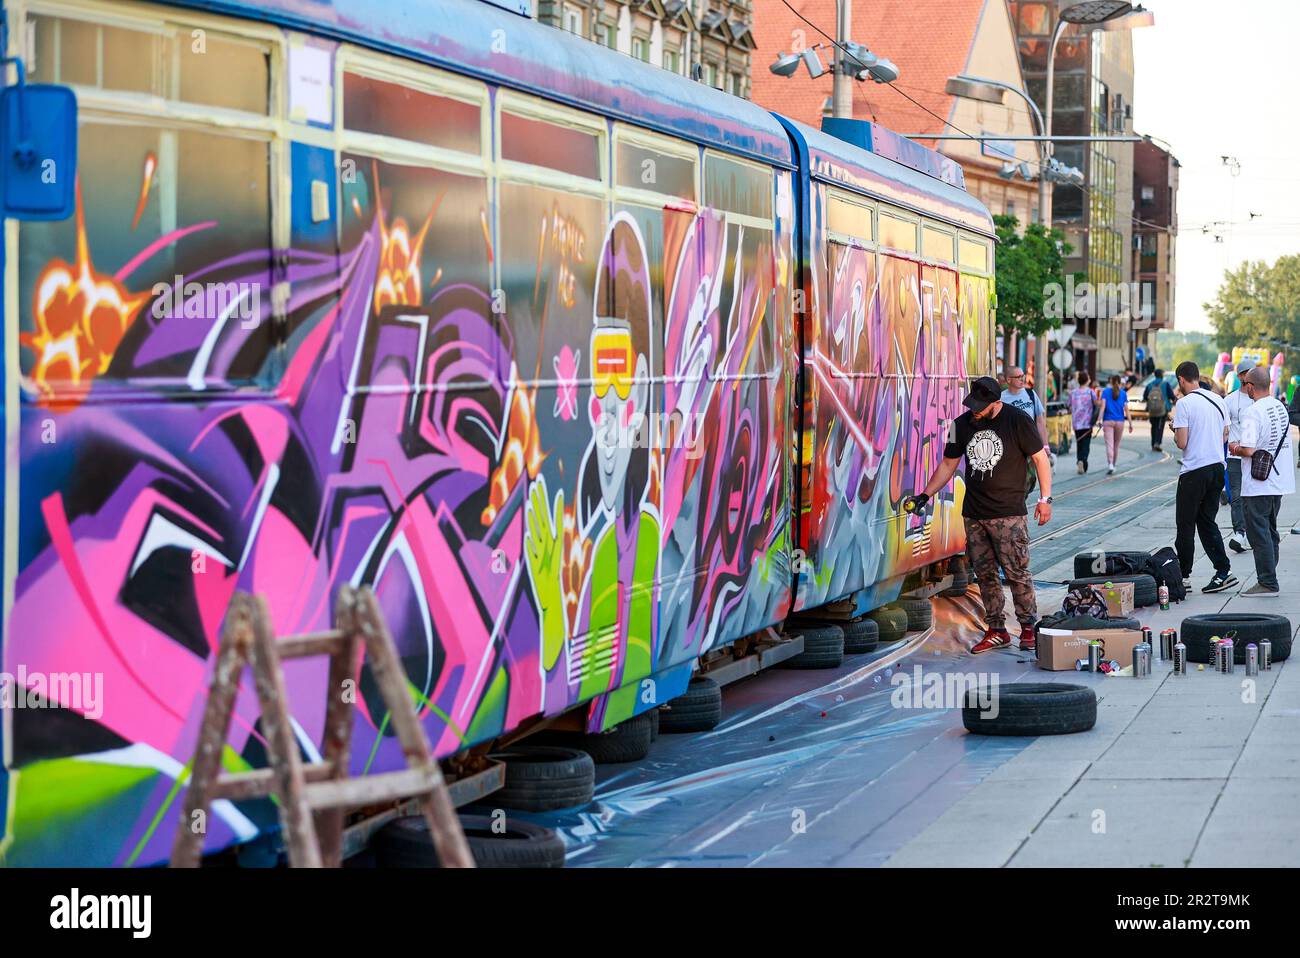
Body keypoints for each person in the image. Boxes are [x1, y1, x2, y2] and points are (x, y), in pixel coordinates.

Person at [903, 377, 1053, 655]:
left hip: (1009, 513)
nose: (976, 410)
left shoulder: (1018, 420)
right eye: (973, 404)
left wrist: (1045, 499)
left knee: (1016, 571)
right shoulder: (960, 425)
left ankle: (1028, 626)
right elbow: (948, 464)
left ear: (997, 402)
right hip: (974, 513)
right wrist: (925, 495)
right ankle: (996, 629)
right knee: (985, 575)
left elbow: (1040, 459)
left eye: (982, 406)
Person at [1228, 366, 1294, 597]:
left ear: (1251, 386)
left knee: (1258, 533)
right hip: (1278, 480)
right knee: (1270, 529)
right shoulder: (1280, 407)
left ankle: (1267, 582)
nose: (1243, 387)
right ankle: (1269, 574)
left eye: (1245, 383)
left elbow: (1248, 449)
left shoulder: (1253, 412)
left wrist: (1234, 447)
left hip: (1258, 483)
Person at [1171, 361, 1237, 593]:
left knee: (1186, 524)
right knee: (1207, 521)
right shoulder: (1218, 400)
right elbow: (1225, 435)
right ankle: (1223, 571)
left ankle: (1184, 578)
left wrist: (1174, 430)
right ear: (1197, 377)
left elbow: (1182, 443)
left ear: (1181, 380)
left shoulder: (1184, 404)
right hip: (1217, 468)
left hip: (1194, 471)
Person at [1223, 357, 1258, 553]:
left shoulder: (1258, 399)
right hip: (1235, 456)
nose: (1249, 376)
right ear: (1240, 376)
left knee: (1253, 497)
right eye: (1246, 373)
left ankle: (1253, 533)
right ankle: (1240, 533)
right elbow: (1224, 429)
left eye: (1252, 373)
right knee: (1236, 496)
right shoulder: (1229, 400)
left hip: (1254, 456)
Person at [1001, 366, 1054, 489]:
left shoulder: (1030, 394)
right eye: (1018, 377)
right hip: (1010, 445)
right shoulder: (1001, 398)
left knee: (1030, 480)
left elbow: (1040, 422)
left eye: (1022, 375)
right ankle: (1018, 503)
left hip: (1030, 444)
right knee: (1015, 480)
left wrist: (1045, 446)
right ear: (1009, 380)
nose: (1022, 379)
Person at [1068, 370, 1101, 474]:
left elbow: (1068, 405)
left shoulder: (1073, 393)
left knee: (1079, 443)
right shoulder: (1091, 392)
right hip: (1087, 423)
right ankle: (1083, 461)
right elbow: (1097, 404)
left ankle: (1079, 460)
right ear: (1087, 381)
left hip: (1076, 424)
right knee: (1086, 445)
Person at [1100, 374, 1131, 474]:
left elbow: (1102, 407)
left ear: (1111, 382)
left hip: (1108, 420)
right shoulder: (1123, 393)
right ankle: (1113, 464)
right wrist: (1130, 423)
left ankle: (1110, 465)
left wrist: (1099, 419)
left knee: (1109, 444)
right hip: (1120, 421)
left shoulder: (1105, 392)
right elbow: (1126, 410)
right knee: (1116, 445)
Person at [1144, 369, 1177, 452]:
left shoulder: (1149, 385)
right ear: (1162, 375)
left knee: (1153, 426)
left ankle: (1153, 443)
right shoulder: (1165, 384)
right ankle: (1157, 443)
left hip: (1152, 410)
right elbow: (1171, 396)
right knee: (1160, 426)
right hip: (1162, 409)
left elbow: (1145, 397)